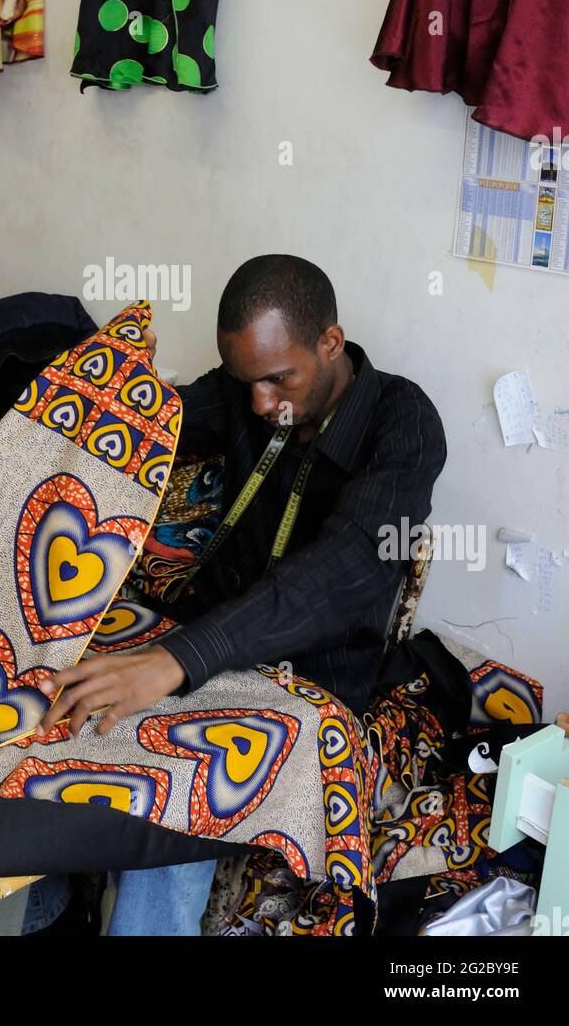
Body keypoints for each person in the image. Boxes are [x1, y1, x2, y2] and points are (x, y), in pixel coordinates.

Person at [30, 254, 448, 935]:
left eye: (278, 379)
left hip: (309, 683)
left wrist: (173, 661)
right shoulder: (245, 391)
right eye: (243, 381)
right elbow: (150, 428)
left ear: (330, 343)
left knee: (178, 797)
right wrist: (112, 387)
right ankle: (39, 908)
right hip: (208, 640)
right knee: (46, 690)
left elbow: (341, 572)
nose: (259, 404)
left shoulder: (401, 425)